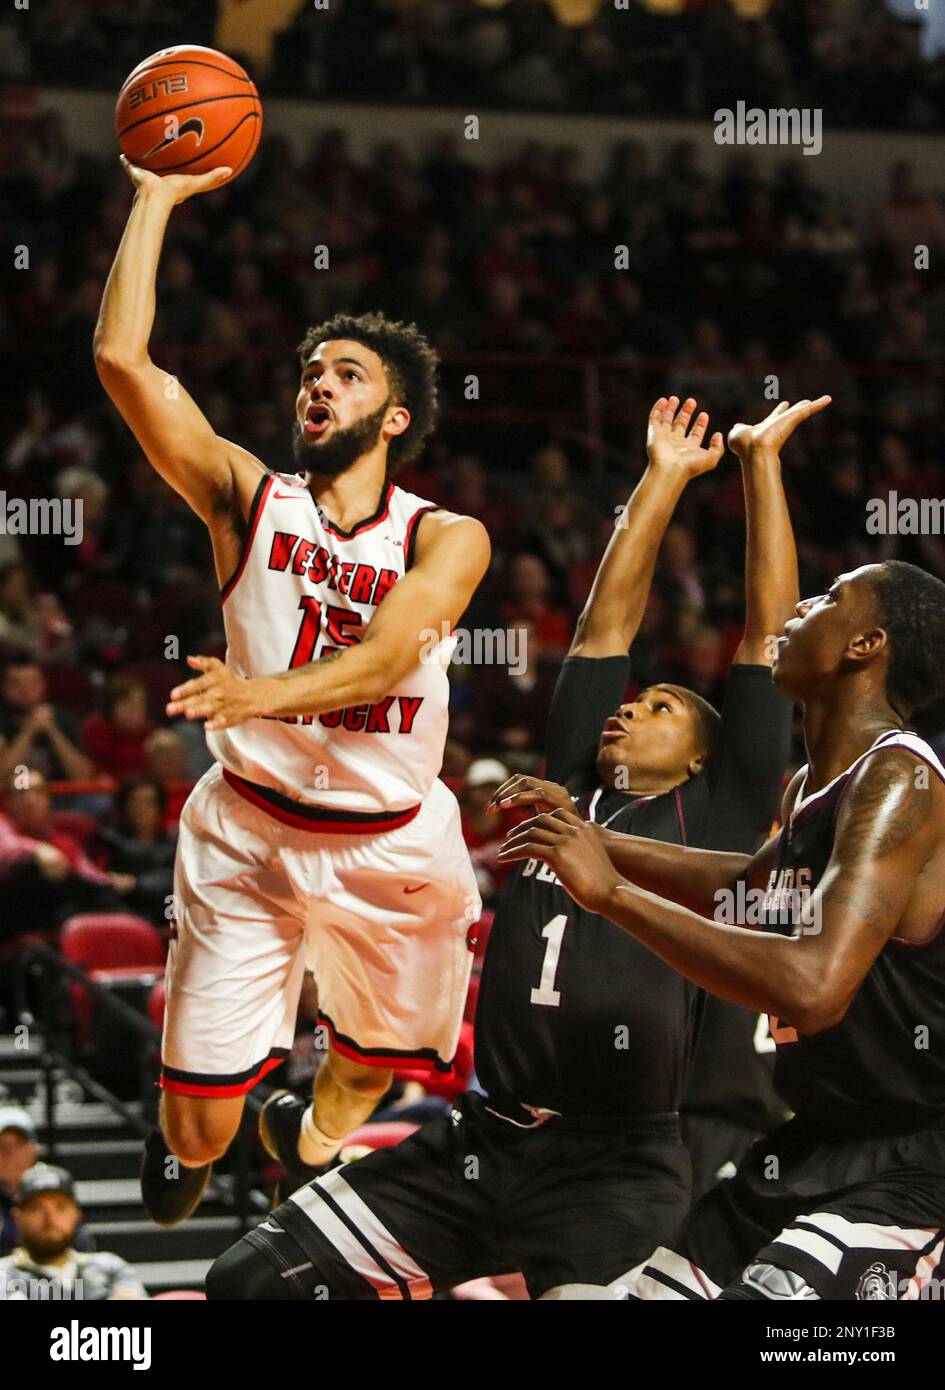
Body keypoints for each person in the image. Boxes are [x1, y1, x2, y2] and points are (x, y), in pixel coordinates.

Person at [204, 392, 809, 1302]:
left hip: (615, 1165)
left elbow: (768, 636)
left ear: (701, 755)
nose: (630, 707)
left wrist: (759, 469)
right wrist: (659, 478)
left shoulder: (717, 818)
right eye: (633, 699)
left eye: (660, 708)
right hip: (479, 1140)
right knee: (249, 1280)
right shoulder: (564, 786)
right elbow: (604, 626)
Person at [94, 156, 490, 1228]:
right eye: (311, 370)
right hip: (252, 833)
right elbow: (123, 360)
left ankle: (304, 1136)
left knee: (367, 1074)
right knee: (193, 1147)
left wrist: (260, 697)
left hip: (396, 842)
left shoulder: (447, 536)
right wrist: (157, 200)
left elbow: (392, 653)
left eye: (348, 373)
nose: (317, 382)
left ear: (397, 416)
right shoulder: (244, 497)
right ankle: (208, 1123)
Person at [500, 558, 945, 1301]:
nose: (801, 606)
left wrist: (608, 892)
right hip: (818, 1138)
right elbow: (745, 889)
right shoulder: (813, 787)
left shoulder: (900, 779)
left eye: (829, 598)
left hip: (915, 1160)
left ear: (864, 644)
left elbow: (812, 987)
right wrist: (590, 835)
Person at [0, 1164, 146, 1300]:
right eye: (36, 1209)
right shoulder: (4, 1275)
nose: (50, 1218)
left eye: (60, 1208)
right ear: (17, 1217)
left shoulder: (110, 1268)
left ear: (77, 1213)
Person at [0, 1107, 39, 1257]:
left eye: (19, 1144)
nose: (10, 1152)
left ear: (34, 1150)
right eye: (2, 1144)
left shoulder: (53, 1194)